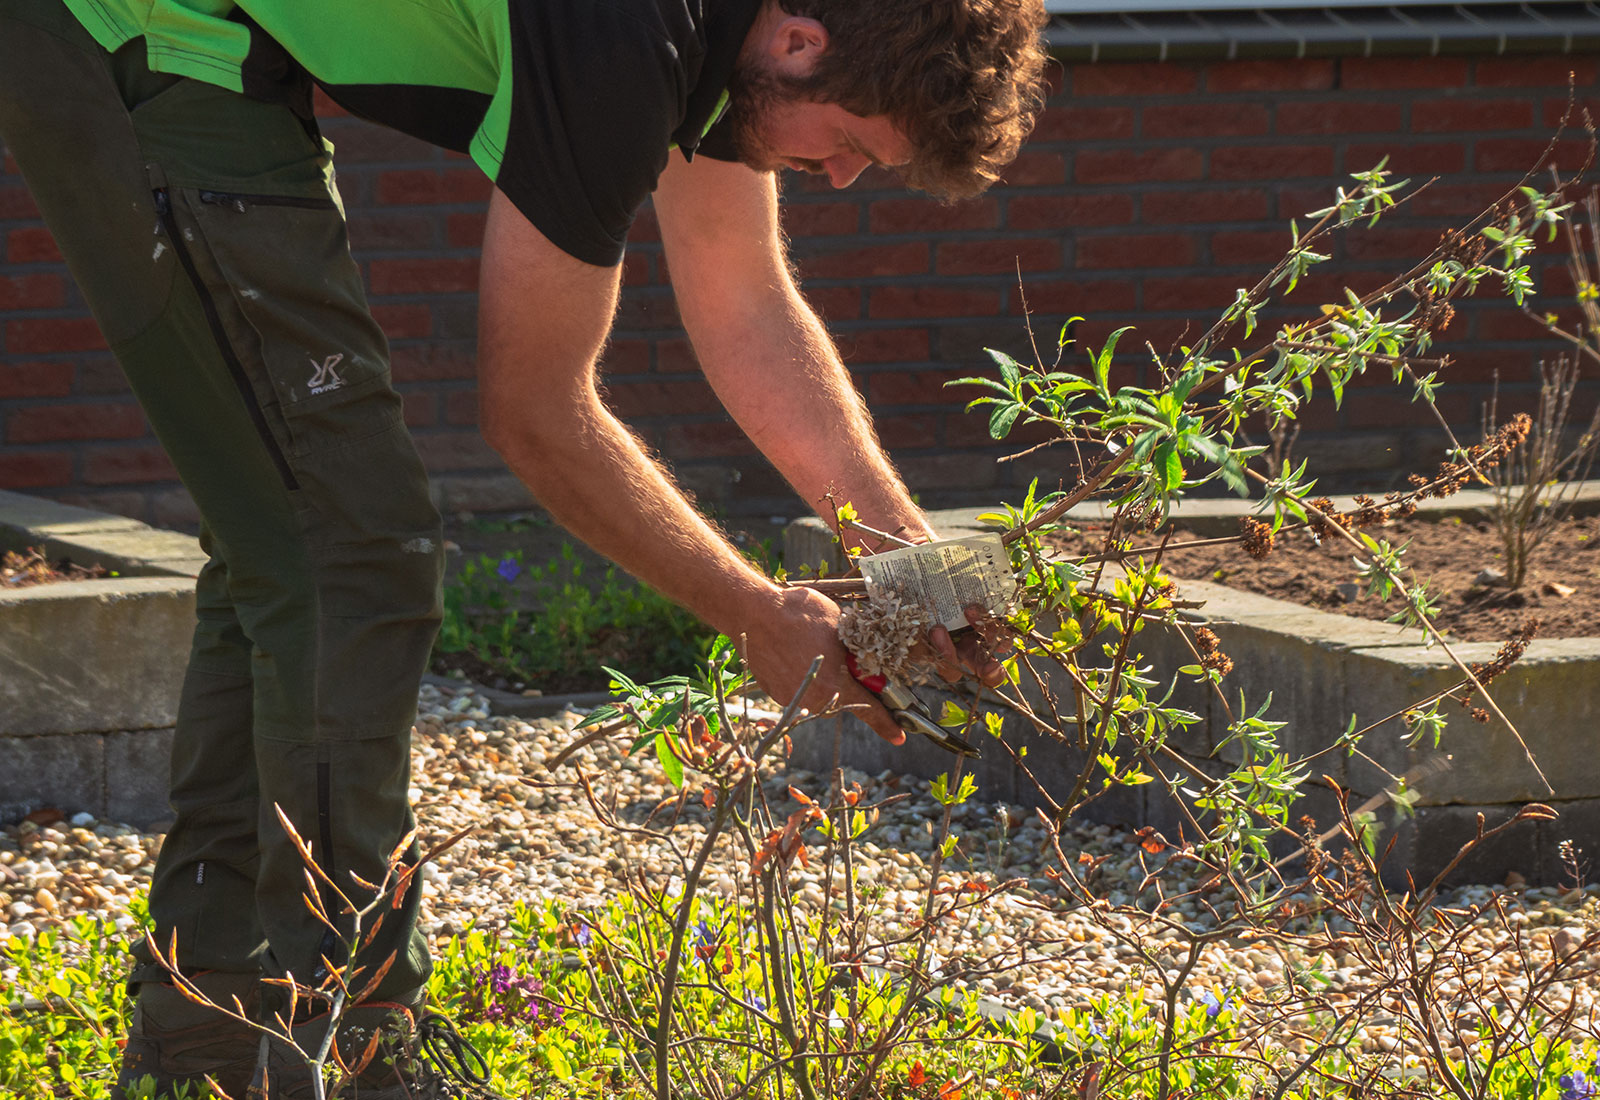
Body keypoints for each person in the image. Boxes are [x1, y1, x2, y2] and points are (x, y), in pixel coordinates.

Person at [0, 0, 1049, 1094]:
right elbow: (535, 410)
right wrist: (750, 611)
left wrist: (918, 565)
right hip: (128, 30)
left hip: (218, 56)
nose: (835, 177)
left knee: (291, 529)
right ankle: (356, 1048)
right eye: (850, 145)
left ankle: (203, 1047)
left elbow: (743, 295)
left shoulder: (715, 48)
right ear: (798, 40)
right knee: (349, 544)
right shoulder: (621, 43)